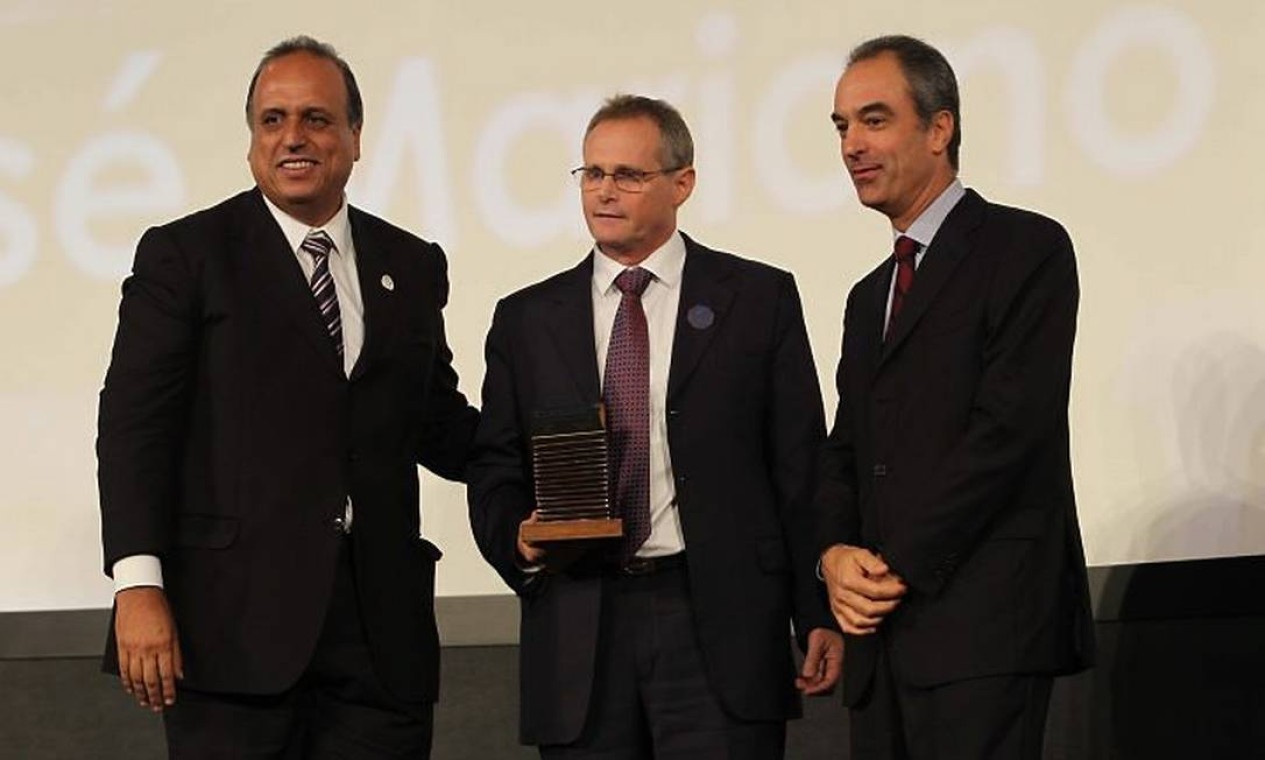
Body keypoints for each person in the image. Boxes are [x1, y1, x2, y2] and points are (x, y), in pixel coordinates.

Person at [96, 35, 478, 758]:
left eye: (316, 118)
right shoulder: (187, 255)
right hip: (231, 635)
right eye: (272, 120)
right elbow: (133, 428)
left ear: (355, 137)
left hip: (378, 639)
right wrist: (137, 583)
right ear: (251, 141)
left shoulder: (411, 263)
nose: (293, 138)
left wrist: (548, 455)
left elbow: (437, 423)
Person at [468, 94, 842, 758]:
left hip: (715, 622)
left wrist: (815, 610)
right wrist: (518, 537)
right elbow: (494, 464)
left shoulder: (757, 300)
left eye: (628, 175)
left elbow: (800, 465)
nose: (604, 191)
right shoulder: (526, 319)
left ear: (682, 183)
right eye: (592, 174)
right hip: (581, 621)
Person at [815, 34, 1095, 760]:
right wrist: (833, 556)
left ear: (939, 128)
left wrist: (892, 564)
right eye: (841, 125)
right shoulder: (865, 295)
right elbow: (847, 449)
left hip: (982, 628)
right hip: (881, 641)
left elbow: (1008, 432)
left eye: (873, 120)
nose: (851, 144)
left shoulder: (1024, 248)